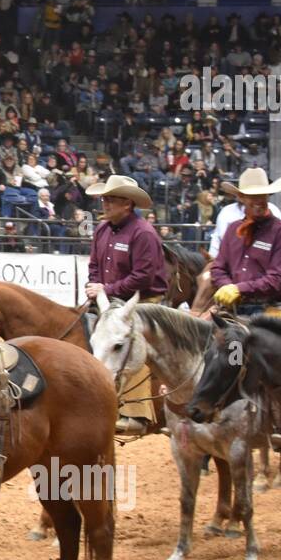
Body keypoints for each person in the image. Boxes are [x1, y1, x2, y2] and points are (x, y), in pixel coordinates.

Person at [84, 175, 169, 435]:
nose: (105, 204)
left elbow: (143, 276)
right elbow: (95, 265)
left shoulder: (143, 233)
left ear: (127, 204)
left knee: (134, 340)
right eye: (104, 199)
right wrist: (95, 288)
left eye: (111, 199)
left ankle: (137, 412)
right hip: (109, 302)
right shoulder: (102, 229)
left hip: (142, 301)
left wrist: (106, 290)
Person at [210, 168, 281, 317]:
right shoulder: (233, 229)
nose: (258, 200)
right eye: (252, 196)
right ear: (241, 197)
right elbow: (218, 268)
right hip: (234, 305)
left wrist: (238, 289)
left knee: (265, 339)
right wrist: (228, 287)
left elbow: (277, 279)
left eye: (262, 195)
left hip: (271, 306)